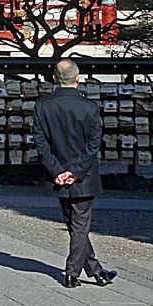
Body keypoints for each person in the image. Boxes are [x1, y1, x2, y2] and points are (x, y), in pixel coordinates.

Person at [33, 58, 117, 289]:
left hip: (57, 173)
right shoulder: (89, 108)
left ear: (54, 79)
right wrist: (76, 171)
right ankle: (72, 273)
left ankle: (96, 271)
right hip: (84, 175)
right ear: (78, 80)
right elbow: (93, 145)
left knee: (74, 224)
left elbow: (41, 144)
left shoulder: (42, 106)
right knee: (79, 224)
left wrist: (58, 171)